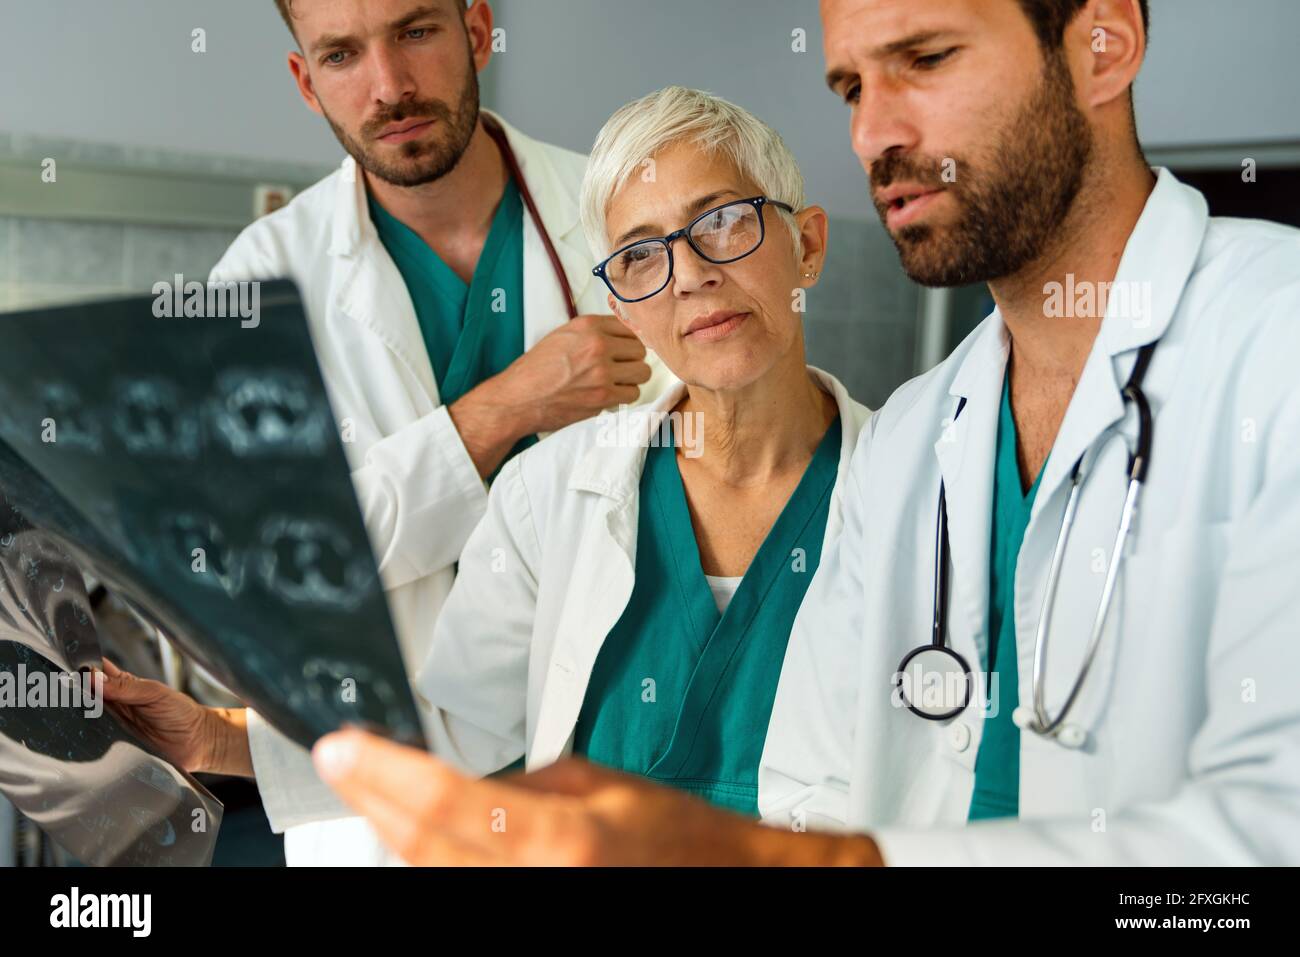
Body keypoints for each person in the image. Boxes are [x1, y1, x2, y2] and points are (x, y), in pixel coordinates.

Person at [309, 0, 1300, 865]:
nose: (871, 134)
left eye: (926, 57)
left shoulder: (1274, 343)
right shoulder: (923, 437)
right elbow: (811, 788)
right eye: (849, 88)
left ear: (1102, 43)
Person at [107, 88, 871, 826]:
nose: (693, 273)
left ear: (807, 244)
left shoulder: (909, 490)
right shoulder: (551, 493)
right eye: (642, 255)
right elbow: (455, 722)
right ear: (622, 306)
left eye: (725, 222)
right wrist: (215, 739)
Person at [173, 0, 668, 866]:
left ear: (476, 32)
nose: (388, 86)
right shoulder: (260, 280)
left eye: (415, 31)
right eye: (341, 55)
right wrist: (503, 409)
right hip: (383, 814)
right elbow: (265, 568)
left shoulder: (625, 215)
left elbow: (705, 486)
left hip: (613, 764)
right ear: (305, 81)